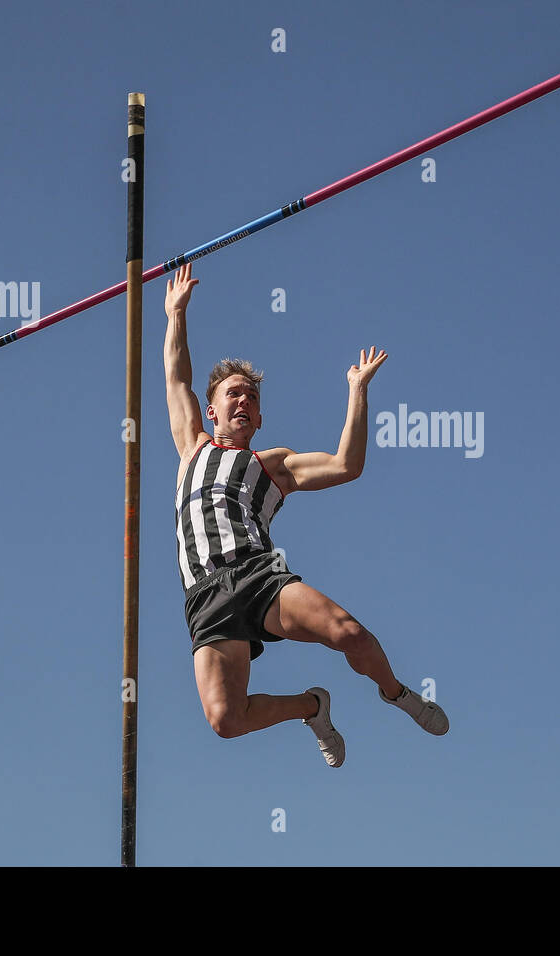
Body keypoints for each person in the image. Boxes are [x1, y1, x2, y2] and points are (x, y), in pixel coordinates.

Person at [163, 262, 448, 768]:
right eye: (234, 394)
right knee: (225, 720)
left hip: (257, 576)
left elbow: (346, 464)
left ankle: (398, 693)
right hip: (205, 595)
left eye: (252, 396)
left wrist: (357, 391)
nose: (244, 401)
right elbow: (176, 374)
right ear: (212, 410)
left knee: (350, 634)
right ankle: (313, 707)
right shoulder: (191, 446)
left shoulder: (273, 465)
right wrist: (176, 314)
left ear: (260, 415)